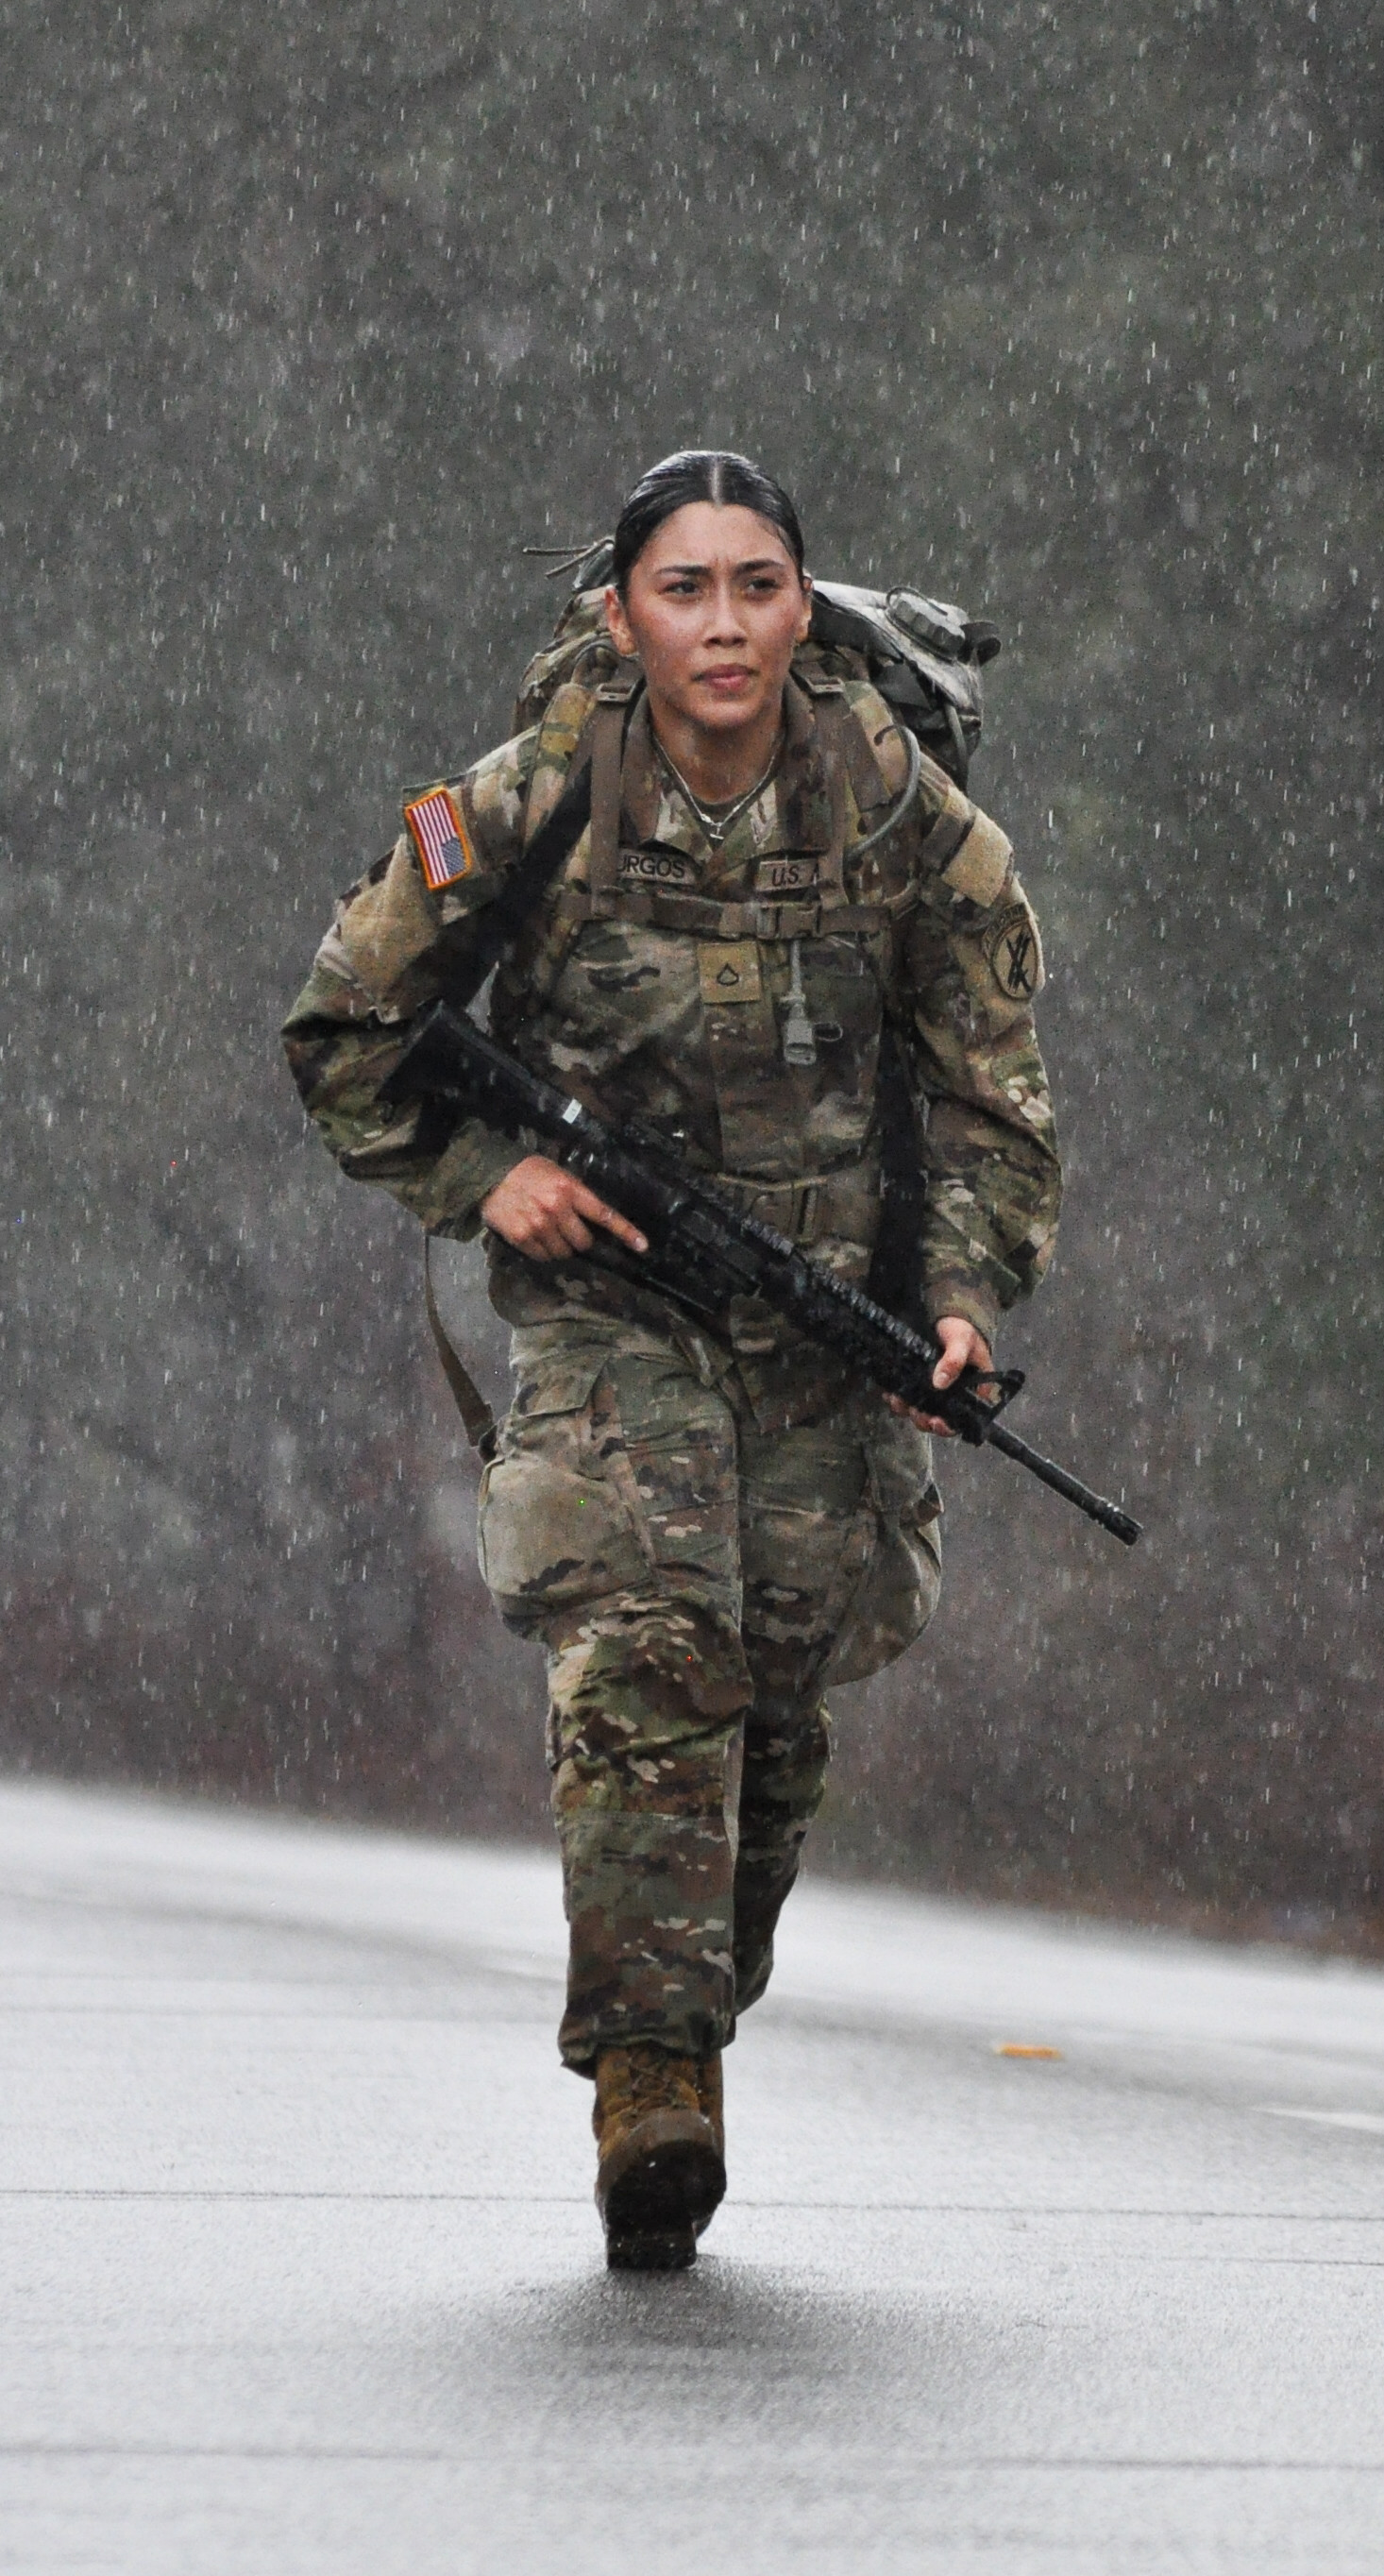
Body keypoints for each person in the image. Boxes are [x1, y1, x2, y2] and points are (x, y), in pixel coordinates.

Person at [283, 450, 1060, 2268]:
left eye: (757, 586)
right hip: (615, 1301)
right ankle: (652, 2079)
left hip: (821, 1307)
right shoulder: (531, 796)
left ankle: (700, 1987)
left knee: (782, 1684)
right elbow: (343, 1028)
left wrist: (955, 1301)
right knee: (649, 1640)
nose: (723, 625)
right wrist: (498, 1178)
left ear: (805, 608)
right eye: (685, 589)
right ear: (624, 615)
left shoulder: (909, 818)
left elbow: (991, 1097)